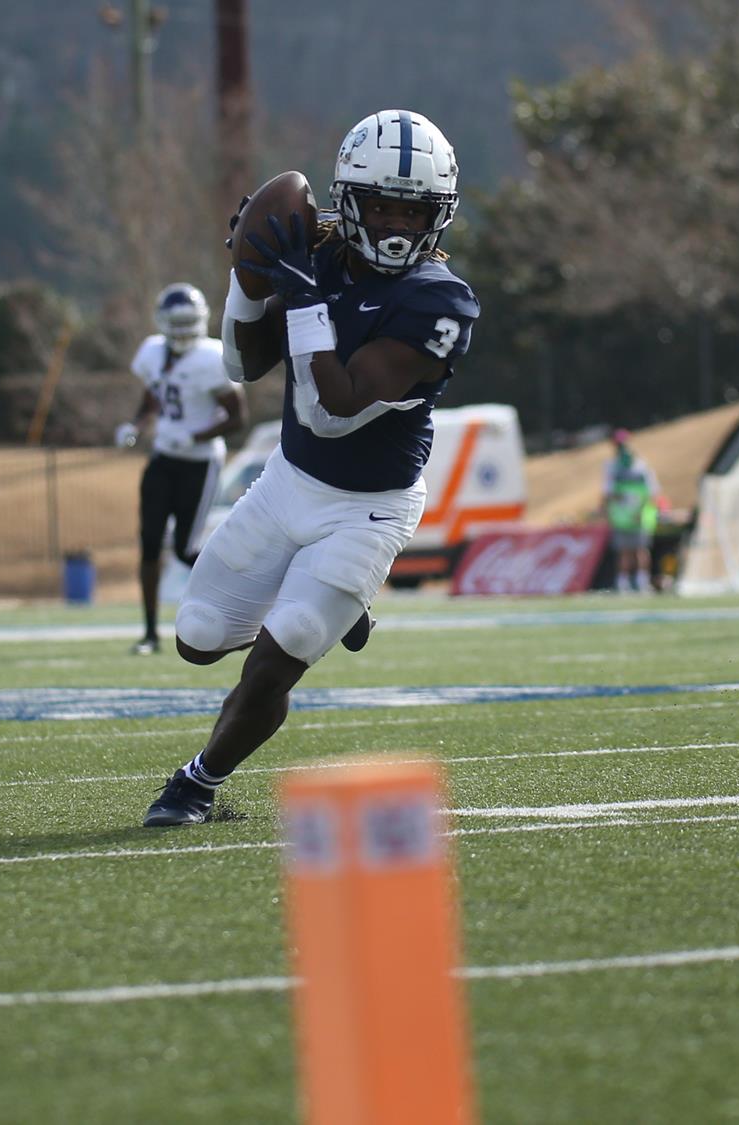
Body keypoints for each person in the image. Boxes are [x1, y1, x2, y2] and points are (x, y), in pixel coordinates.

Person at [142, 109, 478, 827]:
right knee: (197, 637)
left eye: (412, 210)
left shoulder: (441, 300)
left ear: (439, 215)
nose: (394, 224)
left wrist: (296, 294)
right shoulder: (316, 253)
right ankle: (343, 606)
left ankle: (197, 782)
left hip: (371, 505)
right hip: (289, 480)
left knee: (286, 642)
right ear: (348, 200)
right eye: (381, 204)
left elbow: (335, 407)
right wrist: (247, 278)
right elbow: (240, 364)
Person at [116, 283, 247, 656]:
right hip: (162, 458)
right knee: (149, 544)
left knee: (187, 549)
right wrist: (136, 425)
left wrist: (195, 436)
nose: (184, 330)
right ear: (162, 322)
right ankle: (150, 634)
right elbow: (153, 397)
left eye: (190, 322)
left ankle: (241, 604)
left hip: (199, 463)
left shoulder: (210, 358)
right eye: (178, 322)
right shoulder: (152, 353)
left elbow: (238, 417)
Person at [602, 428, 662, 593]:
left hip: (640, 516)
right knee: (624, 551)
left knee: (640, 550)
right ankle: (624, 582)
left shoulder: (642, 466)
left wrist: (640, 511)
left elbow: (652, 493)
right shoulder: (611, 466)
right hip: (622, 517)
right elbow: (608, 494)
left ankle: (641, 581)